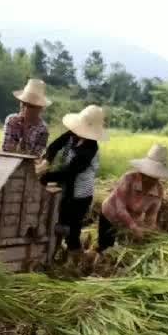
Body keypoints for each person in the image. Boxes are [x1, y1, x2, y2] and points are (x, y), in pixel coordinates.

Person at [35, 104, 108, 260]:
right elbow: (54, 146)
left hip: (80, 195)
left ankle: (76, 260)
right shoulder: (72, 135)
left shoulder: (90, 148)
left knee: (72, 229)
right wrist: (46, 161)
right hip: (67, 189)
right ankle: (55, 254)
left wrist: (44, 177)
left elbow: (70, 172)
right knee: (58, 222)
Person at [98, 144, 168, 252]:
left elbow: (151, 217)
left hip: (131, 222)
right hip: (110, 215)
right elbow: (120, 208)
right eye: (146, 175)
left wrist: (150, 232)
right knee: (105, 247)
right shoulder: (128, 179)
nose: (148, 180)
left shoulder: (159, 191)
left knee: (125, 251)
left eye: (153, 178)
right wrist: (133, 227)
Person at [0, 79, 51, 156]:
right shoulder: (11, 120)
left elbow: (35, 156)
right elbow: (6, 149)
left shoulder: (42, 130)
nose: (26, 108)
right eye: (23, 104)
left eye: (31, 106)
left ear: (39, 108)